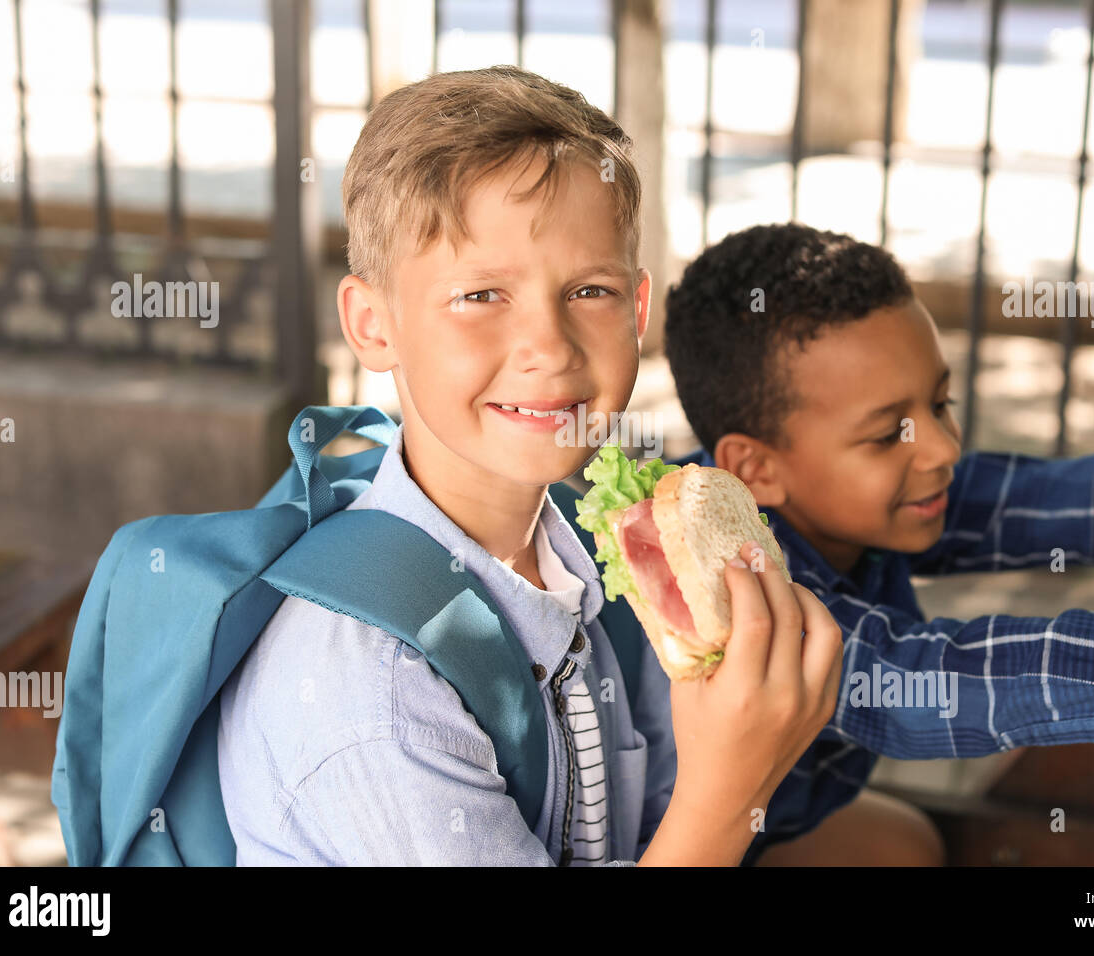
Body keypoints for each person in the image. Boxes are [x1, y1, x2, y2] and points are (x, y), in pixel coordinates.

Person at [215, 67, 844, 866]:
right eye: (480, 295)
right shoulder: (374, 697)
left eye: (589, 290)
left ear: (640, 312)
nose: (548, 346)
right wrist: (733, 794)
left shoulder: (584, 555)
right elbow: (703, 814)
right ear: (372, 326)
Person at [661, 222, 1094, 866]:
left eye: (940, 403)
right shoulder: (724, 585)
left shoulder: (837, 494)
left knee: (908, 848)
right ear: (755, 469)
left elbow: (1066, 499)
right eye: (890, 434)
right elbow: (929, 686)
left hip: (779, 819)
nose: (944, 448)